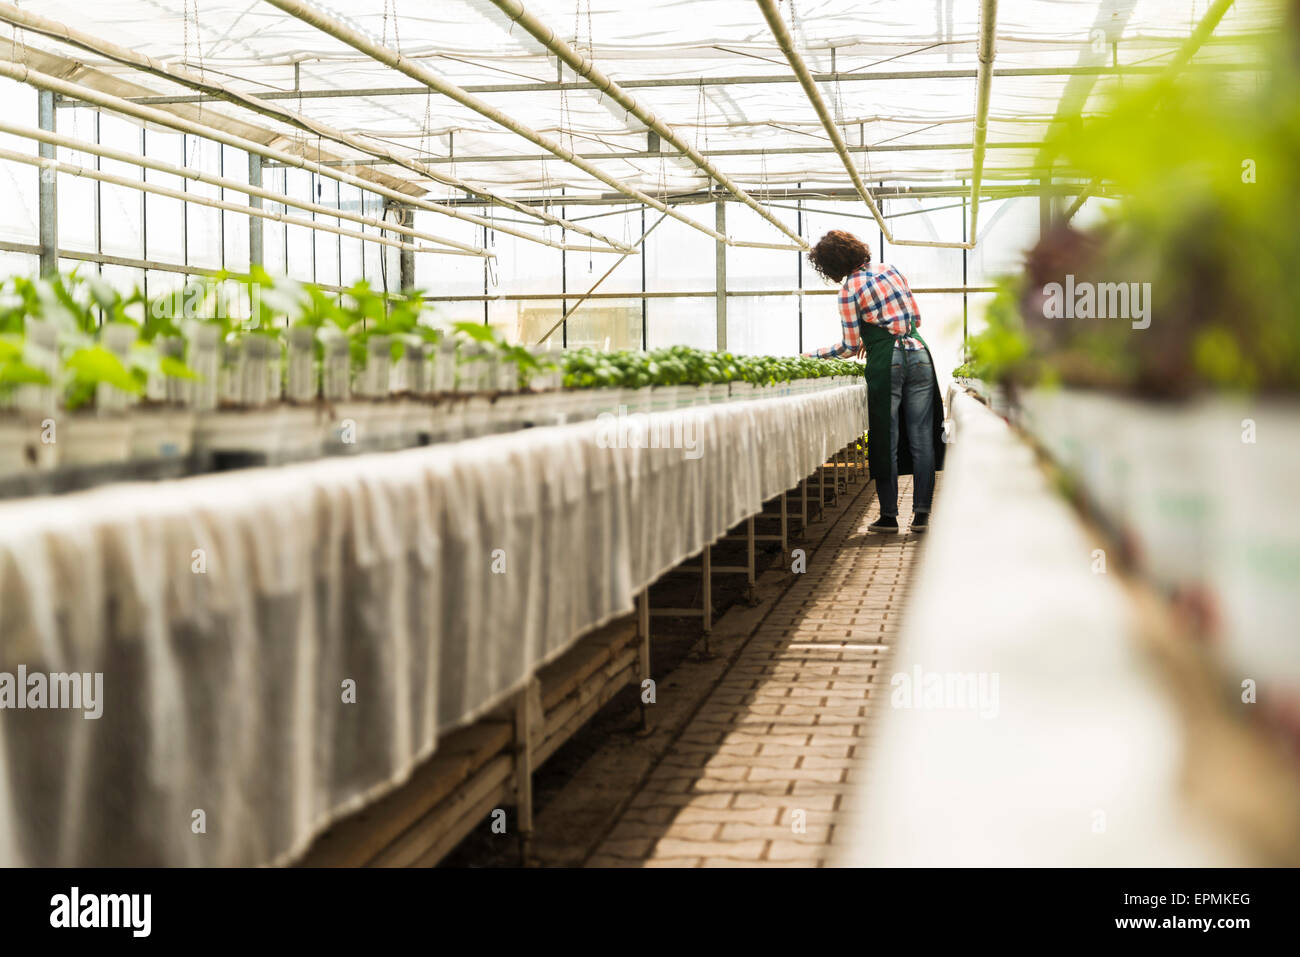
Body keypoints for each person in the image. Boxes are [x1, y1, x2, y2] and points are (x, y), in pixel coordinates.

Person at [804, 230, 944, 533]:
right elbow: (913, 319)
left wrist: (812, 355)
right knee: (922, 438)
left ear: (831, 265)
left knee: (886, 436)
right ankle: (922, 516)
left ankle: (889, 517)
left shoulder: (848, 290)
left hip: (887, 362)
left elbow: (849, 347)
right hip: (919, 353)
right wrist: (882, 332)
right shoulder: (889, 269)